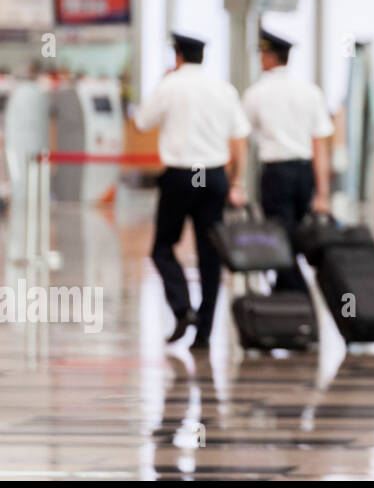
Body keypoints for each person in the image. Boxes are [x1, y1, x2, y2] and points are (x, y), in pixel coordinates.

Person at [134, 32, 251, 349]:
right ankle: (204, 332)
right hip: (212, 177)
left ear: (177, 56)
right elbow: (239, 140)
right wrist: (235, 182)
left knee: (162, 247)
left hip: (181, 176)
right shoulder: (223, 90)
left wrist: (161, 83)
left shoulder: (170, 85)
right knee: (209, 254)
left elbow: (143, 121)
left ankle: (183, 307)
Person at [240, 28, 334, 293]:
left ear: (270, 58)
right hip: (304, 172)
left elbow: (241, 138)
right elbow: (320, 145)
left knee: (280, 236)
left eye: (262, 54)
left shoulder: (256, 93)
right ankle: (288, 297)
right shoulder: (310, 93)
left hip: (275, 173)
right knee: (294, 234)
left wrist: (237, 183)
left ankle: (295, 294)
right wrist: (323, 193)